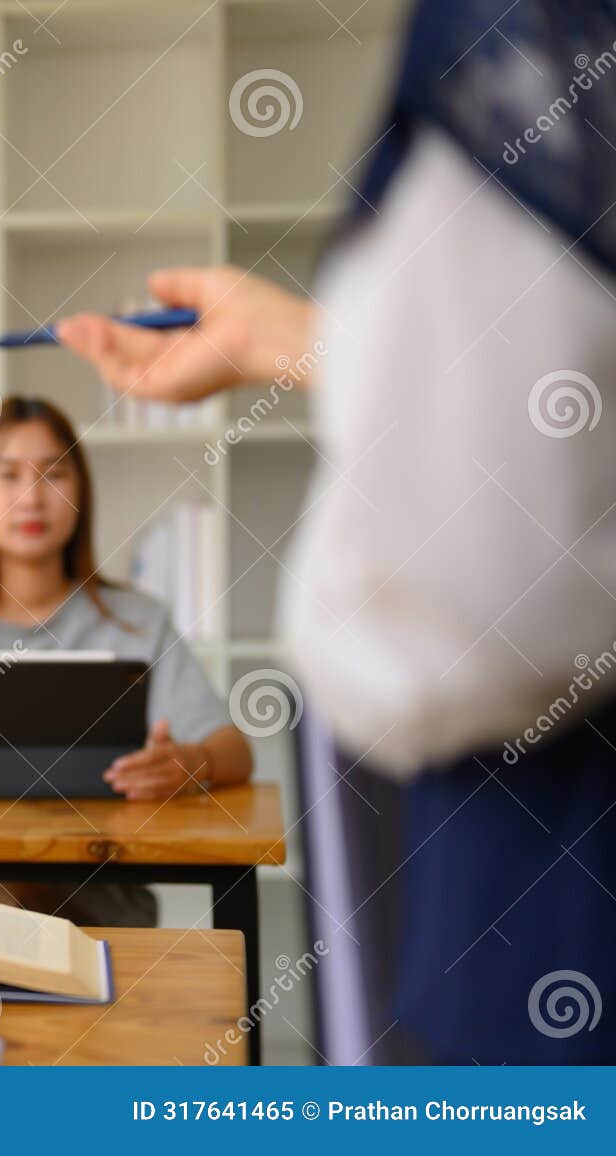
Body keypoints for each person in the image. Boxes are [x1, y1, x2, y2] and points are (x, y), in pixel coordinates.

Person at [55, 0, 616, 1063]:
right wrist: (312, 343)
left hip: (550, 890)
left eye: (49, 470)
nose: (30, 496)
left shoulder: (518, 40)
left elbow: (472, 607)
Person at [0, 395, 252, 925]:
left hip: (92, 896)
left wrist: (190, 763)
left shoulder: (136, 622)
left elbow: (233, 748)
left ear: (82, 494)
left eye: (54, 475)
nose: (31, 498)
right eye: (7, 475)